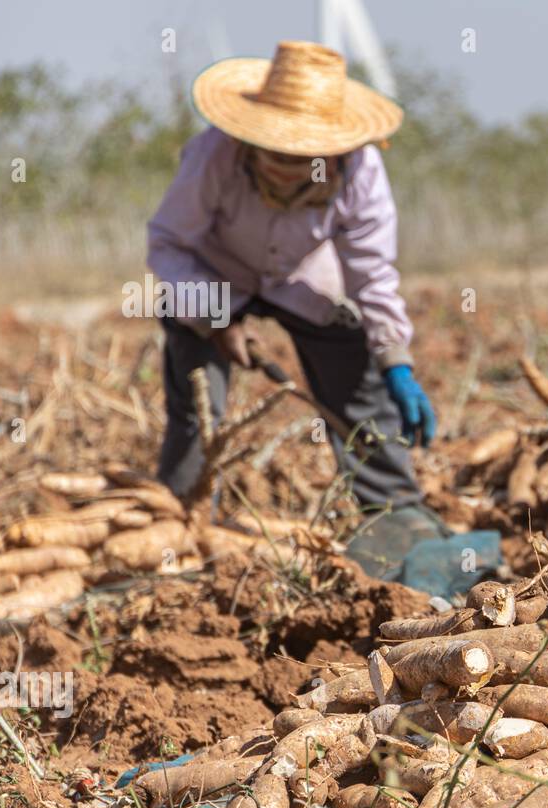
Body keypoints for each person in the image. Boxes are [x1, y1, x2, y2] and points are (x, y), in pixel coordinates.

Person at [147, 40, 446, 579]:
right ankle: (180, 524)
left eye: (303, 158)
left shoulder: (362, 172)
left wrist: (395, 359)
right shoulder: (213, 154)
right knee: (199, 407)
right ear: (251, 141)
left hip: (307, 279)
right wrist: (219, 318)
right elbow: (168, 244)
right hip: (211, 277)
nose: (288, 168)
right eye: (276, 155)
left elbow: (373, 274)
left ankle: (397, 515)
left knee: (358, 389)